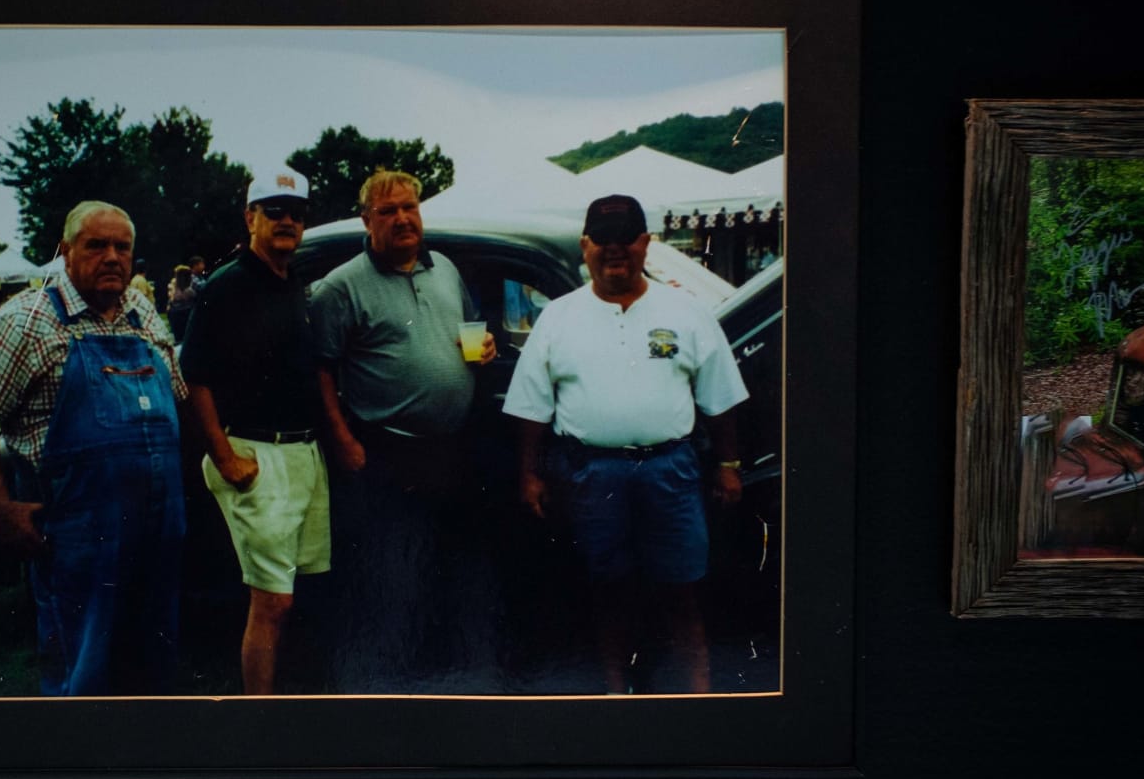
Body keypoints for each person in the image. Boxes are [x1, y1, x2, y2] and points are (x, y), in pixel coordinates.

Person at [502, 194, 748, 696]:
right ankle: (618, 696)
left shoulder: (687, 312)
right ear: (585, 246)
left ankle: (697, 700)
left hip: (671, 471)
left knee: (682, 593)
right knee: (608, 592)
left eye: (625, 241)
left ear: (645, 244)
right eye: (603, 242)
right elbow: (531, 407)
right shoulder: (558, 317)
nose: (615, 252)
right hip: (592, 475)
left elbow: (721, 398)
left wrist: (728, 464)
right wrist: (529, 473)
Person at [0, 200, 187, 697]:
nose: (112, 257)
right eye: (96, 245)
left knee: (153, 667)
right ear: (64, 251)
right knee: (82, 671)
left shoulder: (142, 312)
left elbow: (178, 397)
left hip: (158, 528)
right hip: (76, 533)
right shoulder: (26, 320)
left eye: (122, 248)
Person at [311, 169, 496, 691]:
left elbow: (470, 331)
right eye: (388, 211)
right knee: (393, 581)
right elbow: (320, 369)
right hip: (387, 456)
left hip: (451, 451)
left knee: (452, 570)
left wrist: (484, 349)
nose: (402, 219)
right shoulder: (342, 286)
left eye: (410, 207)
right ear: (366, 220)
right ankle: (386, 693)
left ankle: (447, 685)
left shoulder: (446, 270)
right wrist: (343, 440)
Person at [180, 167, 331, 695]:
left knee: (293, 593)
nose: (287, 222)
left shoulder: (290, 284)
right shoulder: (227, 286)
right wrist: (224, 457)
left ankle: (286, 700)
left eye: (296, 214)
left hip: (301, 454)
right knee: (272, 601)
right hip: (253, 452)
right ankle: (259, 724)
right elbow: (194, 376)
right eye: (274, 212)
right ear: (250, 218)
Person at [165, 264, 198, 343]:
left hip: (176, 313)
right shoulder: (188, 289)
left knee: (180, 338)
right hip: (184, 313)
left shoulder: (175, 286)